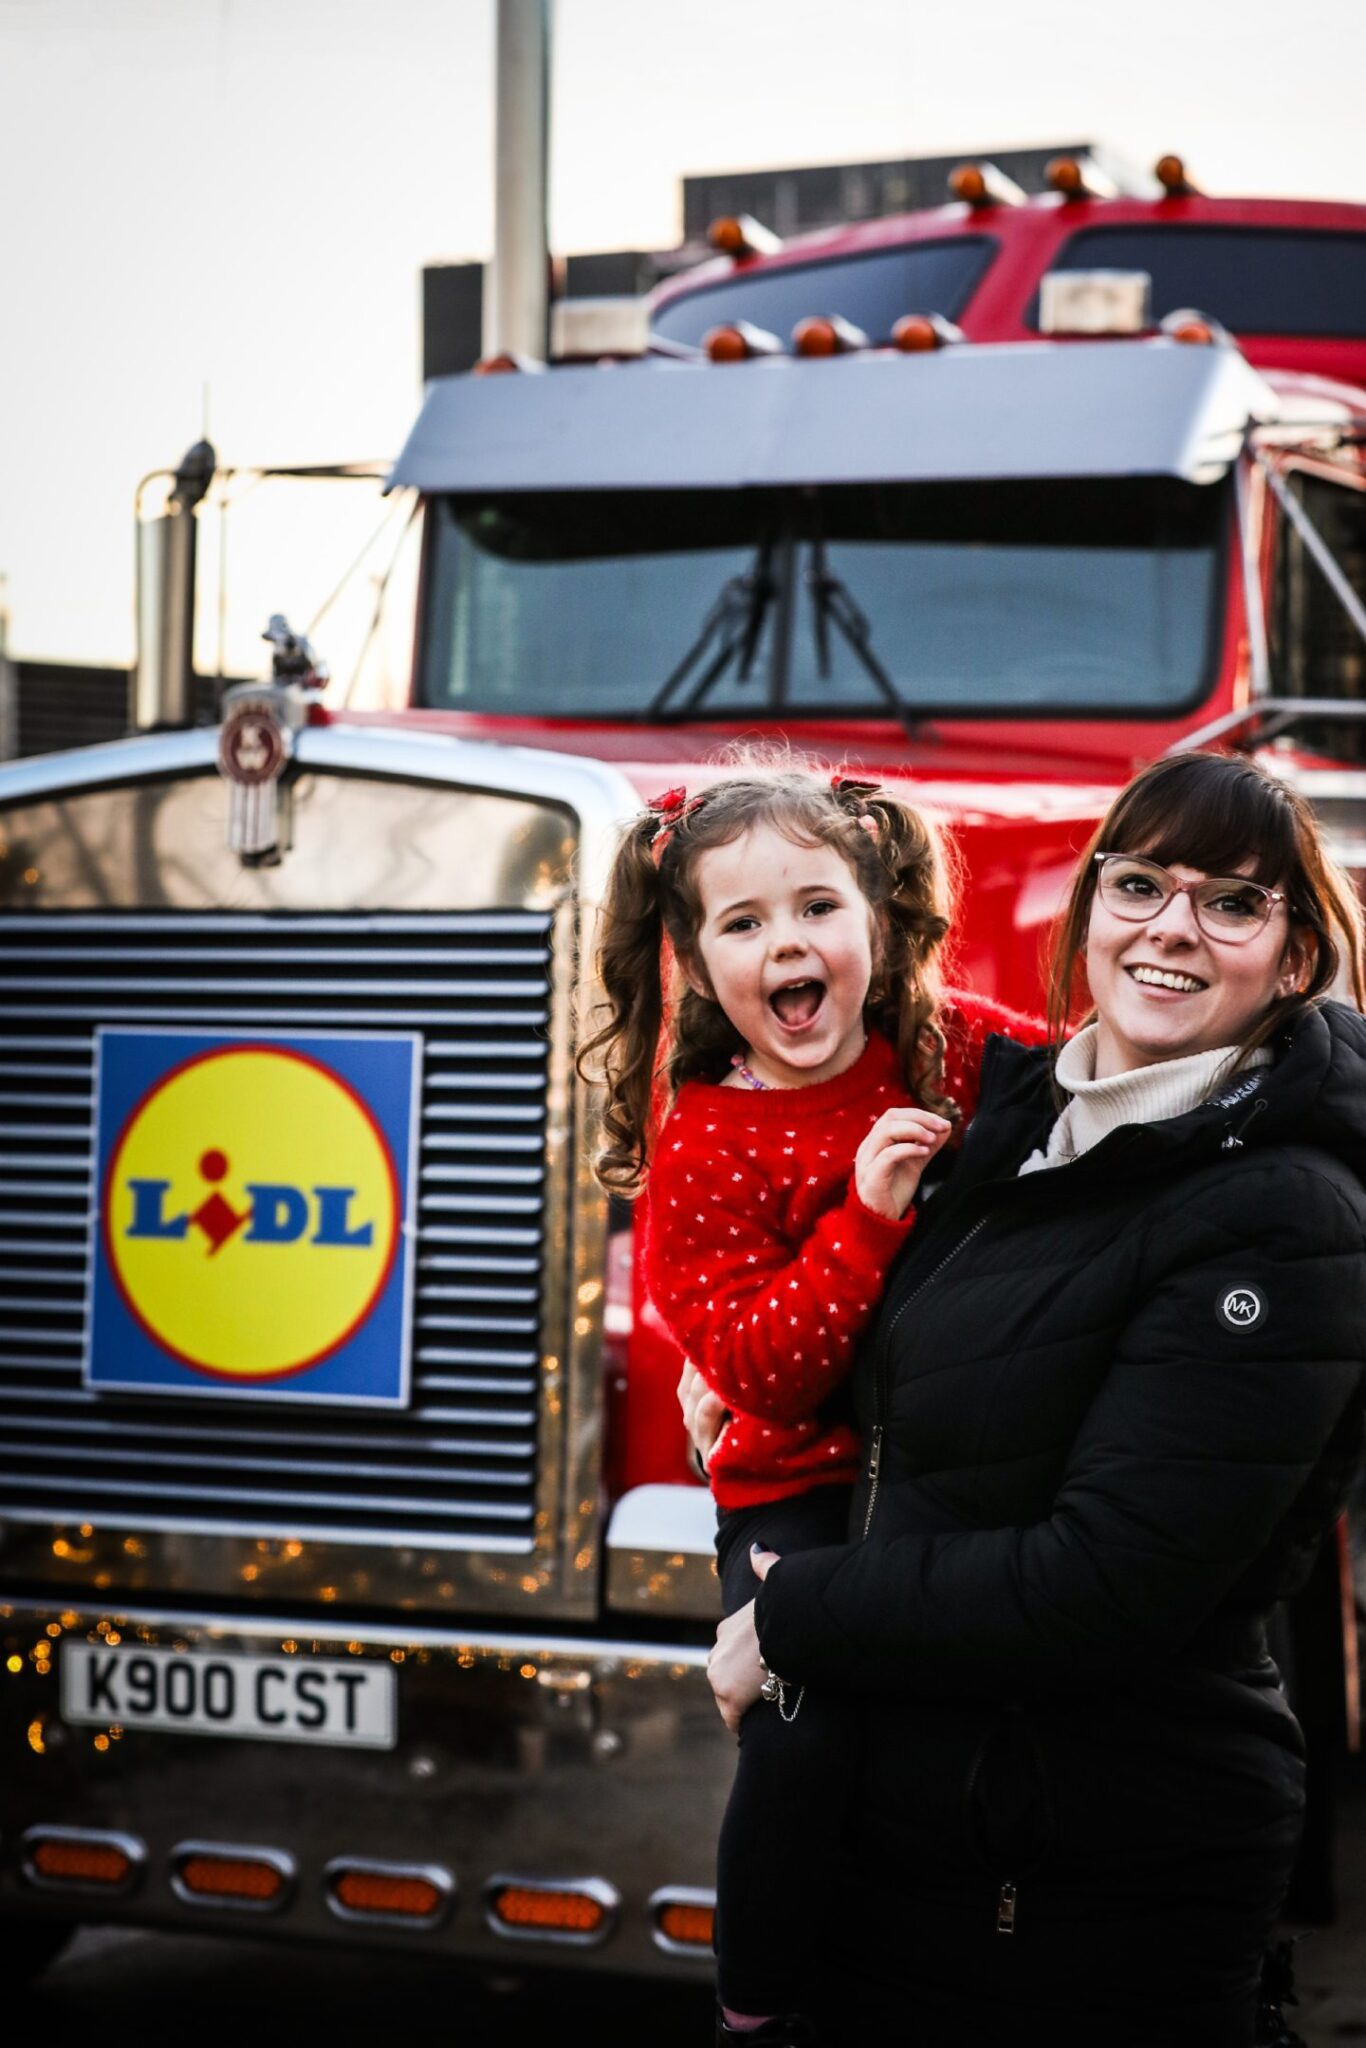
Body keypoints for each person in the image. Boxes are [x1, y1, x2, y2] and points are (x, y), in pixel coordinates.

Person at [699, 751, 1366, 2048]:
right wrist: (732, 1362)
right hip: (919, 1847)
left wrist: (792, 1614)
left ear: (1291, 962)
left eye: (1231, 903)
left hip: (1071, 1880)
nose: (1171, 927)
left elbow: (1105, 1582)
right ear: (1086, 912)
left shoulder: (1285, 1217)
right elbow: (925, 1361)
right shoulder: (1025, 1128)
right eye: (1139, 885)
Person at [578, 769, 1043, 2042]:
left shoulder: (948, 1053)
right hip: (799, 1489)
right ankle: (761, 2005)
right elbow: (766, 1370)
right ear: (692, 960)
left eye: (817, 905)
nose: (786, 942)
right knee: (805, 1738)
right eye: (741, 921)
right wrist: (867, 1217)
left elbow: (1089, 1089)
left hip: (945, 1468)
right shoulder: (705, 1142)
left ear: (876, 928)